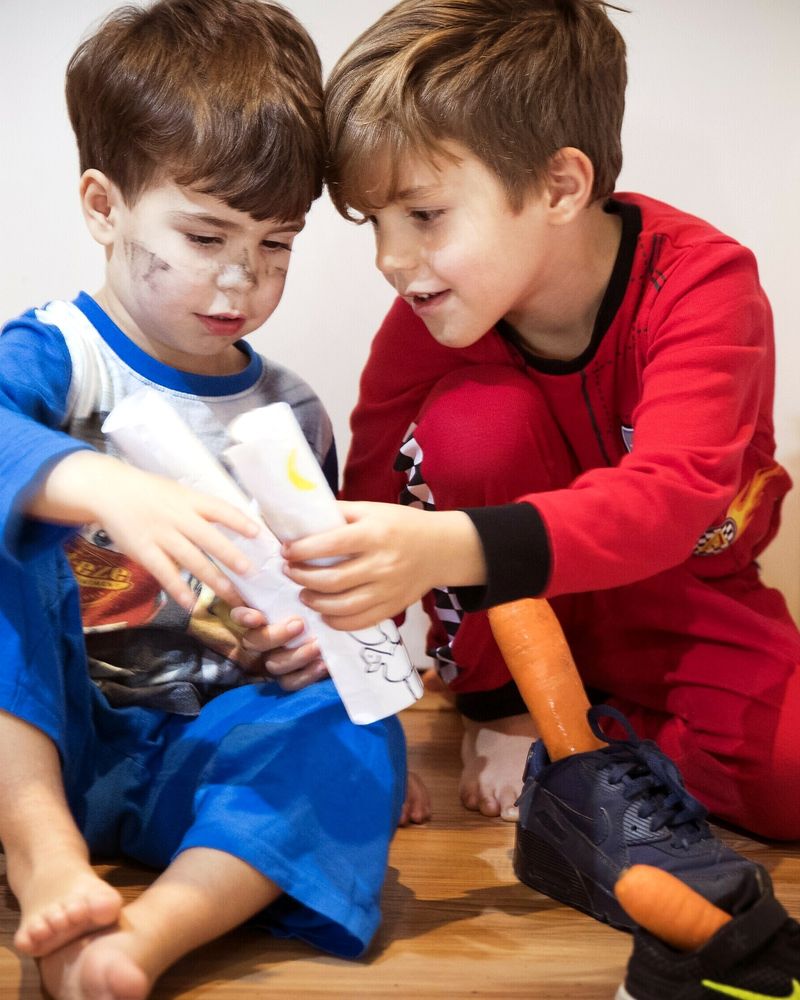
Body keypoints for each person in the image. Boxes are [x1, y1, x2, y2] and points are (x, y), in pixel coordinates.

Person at [283, 0, 800, 847]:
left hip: (681, 600)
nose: (390, 260)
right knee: (477, 424)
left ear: (560, 186)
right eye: (375, 224)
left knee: (789, 779)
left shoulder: (702, 286)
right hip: (510, 624)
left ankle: (586, 734)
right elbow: (371, 487)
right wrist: (347, 684)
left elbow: (671, 499)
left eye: (424, 215)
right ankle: (509, 709)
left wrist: (445, 547)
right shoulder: (428, 318)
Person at [0, 2, 427, 998]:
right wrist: (96, 481)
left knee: (353, 728)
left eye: (277, 244)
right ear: (104, 207)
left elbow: (308, 604)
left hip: (190, 751)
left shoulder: (290, 414)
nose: (242, 280)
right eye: (204, 235)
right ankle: (43, 855)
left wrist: (296, 646)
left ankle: (143, 938)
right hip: (36, 739)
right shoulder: (58, 356)